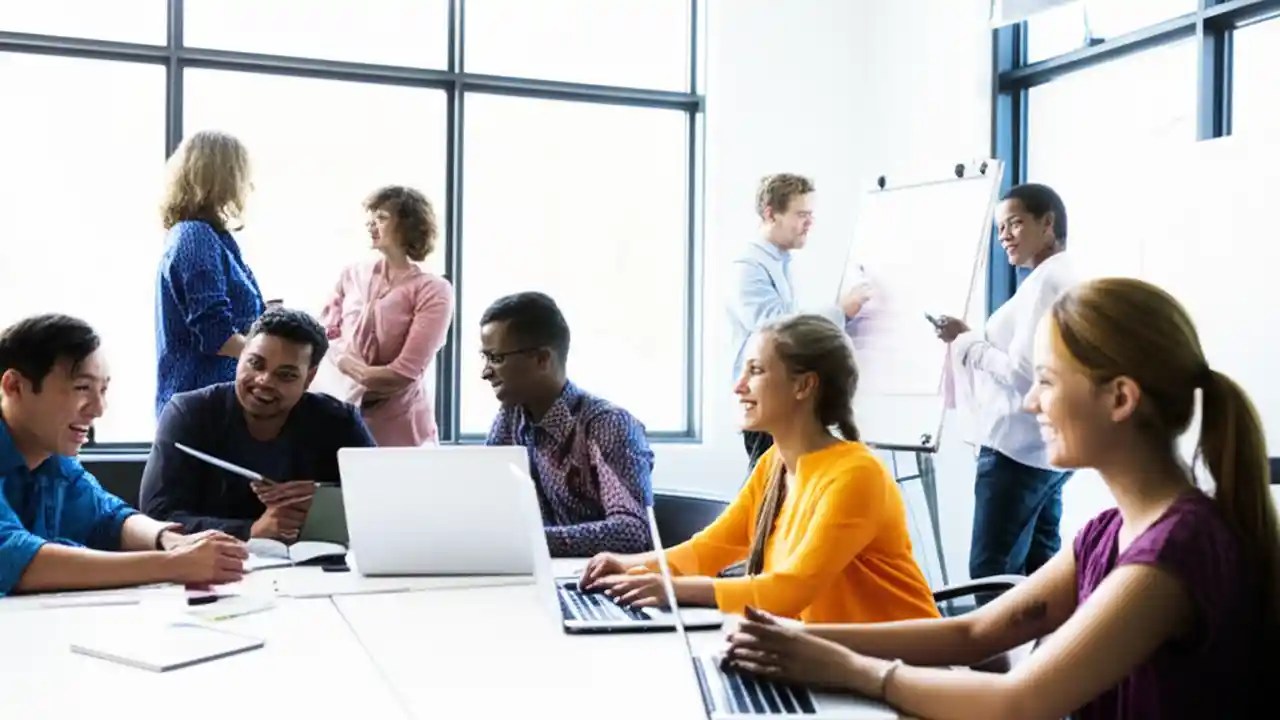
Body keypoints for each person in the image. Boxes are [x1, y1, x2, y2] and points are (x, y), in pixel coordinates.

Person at [726, 278, 1275, 720]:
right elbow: (975, 632)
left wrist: (849, 667)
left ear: (1120, 398)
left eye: (1047, 382)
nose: (1032, 402)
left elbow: (1021, 702)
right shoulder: (1108, 531)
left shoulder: (1174, 551)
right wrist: (798, 638)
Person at [580, 315, 939, 624]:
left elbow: (790, 589)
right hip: (838, 660)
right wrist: (627, 565)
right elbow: (710, 549)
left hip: (913, 664)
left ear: (804, 385)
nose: (739, 386)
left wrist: (671, 589)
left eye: (756, 370)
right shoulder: (774, 464)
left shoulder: (856, 475)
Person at [0, 314, 247, 596]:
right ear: (14, 387)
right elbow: (16, 561)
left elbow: (108, 518)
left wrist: (168, 539)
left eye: (102, 390)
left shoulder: (53, 458)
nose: (98, 409)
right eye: (82, 387)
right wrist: (173, 564)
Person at [934, 182, 1077, 582]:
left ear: (1047, 223)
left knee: (991, 572)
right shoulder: (1057, 277)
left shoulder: (1047, 283)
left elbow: (1022, 373)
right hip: (1040, 449)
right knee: (1039, 569)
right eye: (999, 229)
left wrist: (965, 342)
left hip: (1017, 451)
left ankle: (1001, 648)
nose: (1004, 237)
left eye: (1014, 224)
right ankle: (1047, 647)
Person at [140, 307, 375, 541]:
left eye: (285, 375)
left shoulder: (340, 421)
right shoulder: (188, 413)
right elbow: (156, 514)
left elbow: (381, 499)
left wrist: (327, 500)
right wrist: (250, 531)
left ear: (309, 378)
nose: (264, 381)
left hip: (316, 565)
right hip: (209, 566)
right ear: (240, 357)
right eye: (255, 364)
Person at [481, 292, 654, 558]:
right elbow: (489, 503)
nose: (485, 372)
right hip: (540, 575)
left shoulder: (608, 425)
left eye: (496, 358)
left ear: (542, 359)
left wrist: (530, 541)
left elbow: (632, 533)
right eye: (484, 357)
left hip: (599, 585)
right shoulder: (511, 417)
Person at [728, 173, 873, 469]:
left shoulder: (780, 262)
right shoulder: (748, 266)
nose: (809, 223)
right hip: (766, 402)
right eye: (801, 214)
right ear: (771, 214)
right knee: (770, 496)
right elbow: (773, 328)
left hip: (783, 401)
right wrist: (839, 312)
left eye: (811, 215)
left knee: (788, 496)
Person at [317, 185, 454, 446]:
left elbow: (404, 372)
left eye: (381, 217)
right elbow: (323, 336)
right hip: (343, 418)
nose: (371, 224)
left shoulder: (433, 290)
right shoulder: (352, 274)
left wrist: (345, 366)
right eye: (371, 217)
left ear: (408, 225)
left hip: (401, 425)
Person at [155, 129, 266, 418]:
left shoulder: (217, 239)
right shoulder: (194, 236)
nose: (247, 185)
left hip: (219, 403)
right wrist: (276, 361)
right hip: (202, 409)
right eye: (241, 173)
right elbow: (216, 333)